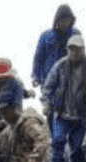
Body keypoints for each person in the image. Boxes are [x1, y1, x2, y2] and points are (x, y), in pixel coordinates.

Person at [32, 4, 80, 135]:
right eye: (61, 20)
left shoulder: (75, 34)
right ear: (56, 20)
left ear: (71, 21)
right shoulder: (46, 36)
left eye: (66, 20)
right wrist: (35, 76)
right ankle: (55, 141)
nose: (64, 23)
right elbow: (38, 58)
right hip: (48, 80)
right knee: (50, 111)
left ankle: (69, 140)